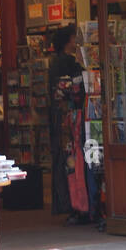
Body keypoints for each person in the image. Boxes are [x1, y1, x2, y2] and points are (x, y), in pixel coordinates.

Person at [47, 25, 90, 223]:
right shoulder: (69, 63)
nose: (76, 43)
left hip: (60, 119)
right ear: (68, 41)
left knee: (67, 161)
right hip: (72, 118)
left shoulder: (55, 63)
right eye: (74, 39)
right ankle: (79, 204)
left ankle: (69, 204)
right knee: (75, 160)